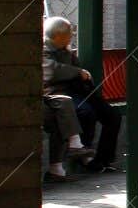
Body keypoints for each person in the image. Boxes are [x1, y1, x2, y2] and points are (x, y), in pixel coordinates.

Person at [43, 17, 121, 172]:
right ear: (59, 36)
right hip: (58, 93)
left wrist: (81, 74)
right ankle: (85, 157)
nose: (71, 36)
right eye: (69, 34)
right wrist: (78, 72)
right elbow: (51, 72)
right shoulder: (45, 50)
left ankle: (103, 160)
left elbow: (76, 69)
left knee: (112, 116)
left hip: (78, 90)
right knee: (86, 112)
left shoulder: (65, 49)